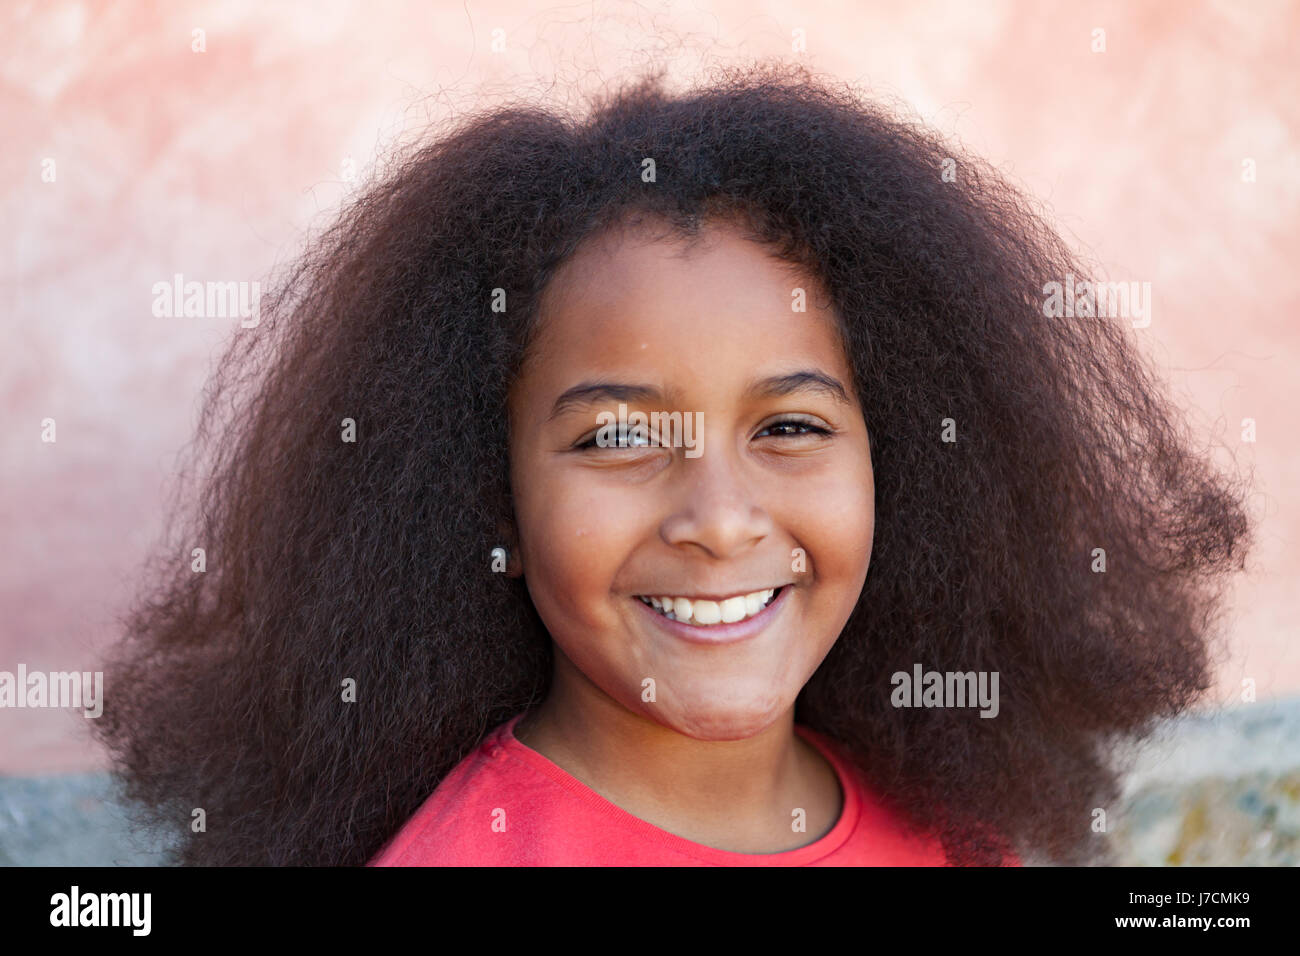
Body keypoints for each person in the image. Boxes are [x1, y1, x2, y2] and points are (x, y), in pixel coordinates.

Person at [94, 62, 1252, 867]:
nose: (719, 516)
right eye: (618, 438)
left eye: (790, 427)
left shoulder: (949, 833)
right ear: (481, 491)